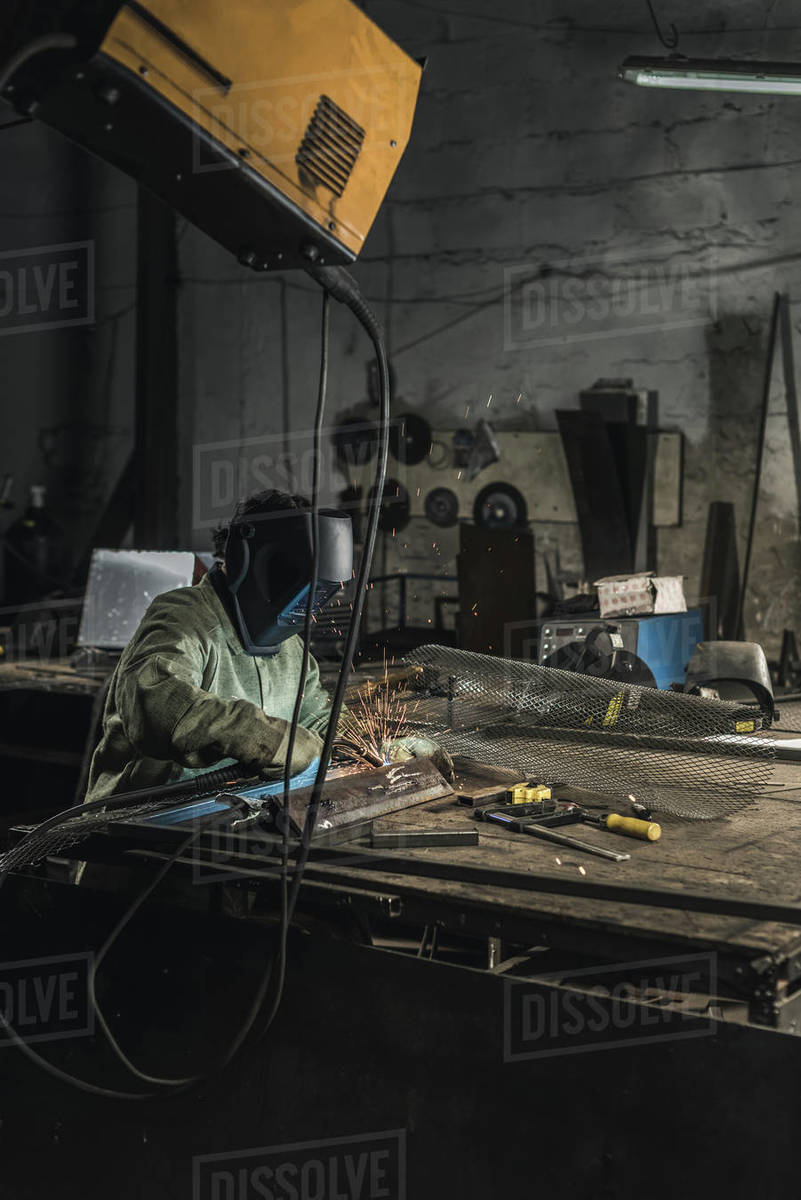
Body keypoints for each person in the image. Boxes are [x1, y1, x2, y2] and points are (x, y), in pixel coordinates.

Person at [85, 489, 449, 804]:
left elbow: (316, 724)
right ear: (251, 561)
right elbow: (157, 708)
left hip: (230, 814)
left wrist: (379, 746)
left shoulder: (291, 649)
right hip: (141, 823)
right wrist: (269, 740)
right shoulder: (182, 617)